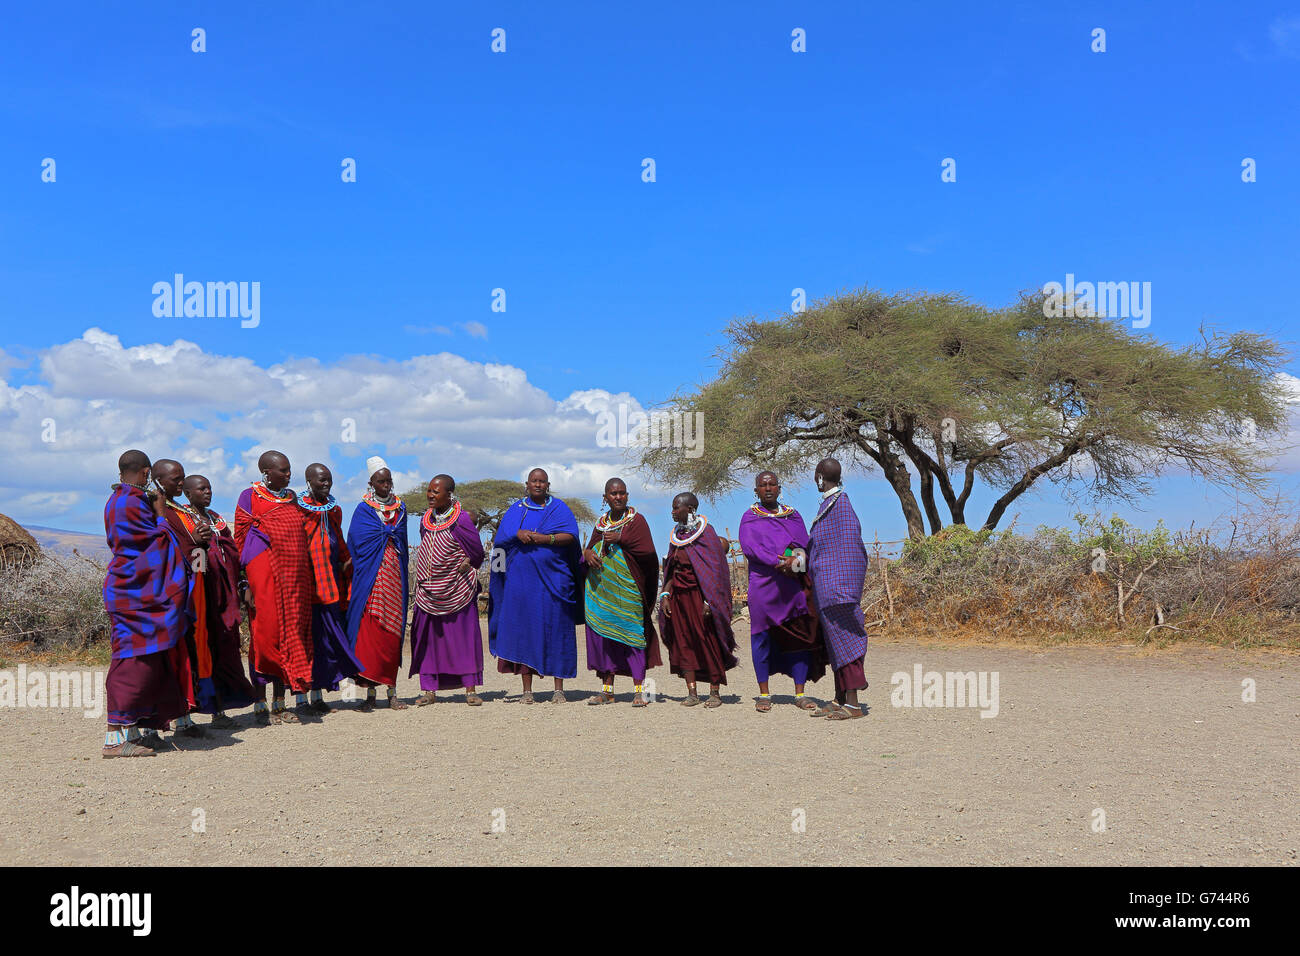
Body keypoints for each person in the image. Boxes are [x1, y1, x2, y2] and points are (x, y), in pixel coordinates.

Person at [101, 450, 190, 757]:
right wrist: (163, 516)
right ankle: (114, 740)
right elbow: (154, 544)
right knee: (131, 664)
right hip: (133, 594)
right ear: (146, 473)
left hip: (133, 592)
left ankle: (138, 730)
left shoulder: (120, 500)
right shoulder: (129, 503)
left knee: (148, 662)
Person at [234, 450, 315, 724]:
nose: (289, 474)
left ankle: (280, 703)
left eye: (290, 469)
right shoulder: (250, 496)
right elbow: (241, 541)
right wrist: (244, 583)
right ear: (267, 473)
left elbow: (298, 534)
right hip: (264, 577)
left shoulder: (293, 498)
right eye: (283, 470)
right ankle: (259, 702)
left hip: (294, 579)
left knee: (289, 634)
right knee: (264, 635)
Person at [488, 468, 580, 704]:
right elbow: (500, 544)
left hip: (555, 581)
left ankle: (558, 689)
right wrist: (516, 534)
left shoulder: (558, 508)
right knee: (524, 631)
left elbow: (570, 536)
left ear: (548, 485)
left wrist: (544, 539)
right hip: (521, 584)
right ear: (526, 485)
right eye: (534, 481)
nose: (538, 485)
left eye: (542, 482)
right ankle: (527, 690)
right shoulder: (515, 511)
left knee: (557, 630)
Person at [738, 471, 826, 713]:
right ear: (756, 490)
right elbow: (750, 548)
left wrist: (794, 563)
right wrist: (780, 561)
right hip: (763, 586)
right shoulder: (749, 517)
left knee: (798, 636)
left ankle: (800, 693)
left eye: (772, 484)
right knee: (761, 638)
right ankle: (764, 694)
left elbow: (804, 546)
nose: (768, 488)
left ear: (779, 488)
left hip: (791, 586)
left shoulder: (793, 515)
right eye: (763, 485)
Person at [179, 474, 258, 729]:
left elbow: (232, 554)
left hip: (227, 598)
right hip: (205, 598)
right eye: (201, 489)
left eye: (209, 488)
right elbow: (195, 561)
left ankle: (222, 710)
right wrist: (199, 548)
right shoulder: (187, 520)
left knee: (227, 652)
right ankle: (207, 708)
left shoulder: (217, 520)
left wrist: (241, 583)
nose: (207, 492)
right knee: (206, 652)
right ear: (188, 494)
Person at [582, 478, 660, 707]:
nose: (618, 497)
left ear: (627, 495)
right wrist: (587, 554)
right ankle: (607, 691)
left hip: (629, 591)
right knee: (605, 638)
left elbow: (648, 552)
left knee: (634, 637)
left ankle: (640, 691)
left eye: (622, 493)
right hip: (602, 594)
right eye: (613, 494)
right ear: (605, 497)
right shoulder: (600, 524)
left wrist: (622, 538)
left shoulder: (637, 521)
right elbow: (591, 547)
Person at [409, 475, 486, 706]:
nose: (431, 495)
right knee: (428, 640)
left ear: (449, 494)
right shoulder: (425, 519)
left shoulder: (461, 519)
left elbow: (477, 553)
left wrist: (465, 564)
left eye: (436, 491)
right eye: (429, 491)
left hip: (457, 588)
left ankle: (470, 690)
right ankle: (429, 691)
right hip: (428, 590)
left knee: (462, 638)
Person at [658, 492, 738, 707]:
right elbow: (671, 570)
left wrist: (709, 601)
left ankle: (714, 692)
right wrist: (665, 595)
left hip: (701, 600)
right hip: (679, 600)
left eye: (676, 508)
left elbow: (715, 573)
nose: (673, 512)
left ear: (690, 509)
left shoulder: (707, 535)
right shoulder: (677, 536)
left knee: (707, 642)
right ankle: (692, 693)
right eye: (673, 508)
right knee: (684, 643)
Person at [298, 463, 365, 714]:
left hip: (330, 585)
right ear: (308, 481)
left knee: (326, 644)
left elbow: (337, 537)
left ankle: (317, 696)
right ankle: (301, 699)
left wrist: (349, 562)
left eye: (329, 480)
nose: (326, 484)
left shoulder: (334, 510)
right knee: (309, 644)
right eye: (321, 480)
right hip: (307, 587)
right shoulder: (297, 509)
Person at [345, 456, 410, 711]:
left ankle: (392, 692)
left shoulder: (401, 508)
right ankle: (370, 694)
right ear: (371, 482)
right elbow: (357, 544)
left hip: (395, 575)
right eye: (380, 481)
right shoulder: (364, 509)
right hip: (370, 580)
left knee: (393, 634)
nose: (385, 485)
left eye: (388, 481)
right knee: (371, 633)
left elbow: (403, 541)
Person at [806, 459, 869, 720]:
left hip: (839, 589)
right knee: (834, 644)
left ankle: (853, 705)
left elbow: (850, 548)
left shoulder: (841, 506)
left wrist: (840, 586)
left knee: (847, 642)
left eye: (815, 474)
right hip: (829, 587)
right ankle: (840, 697)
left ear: (820, 477)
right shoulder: (829, 505)